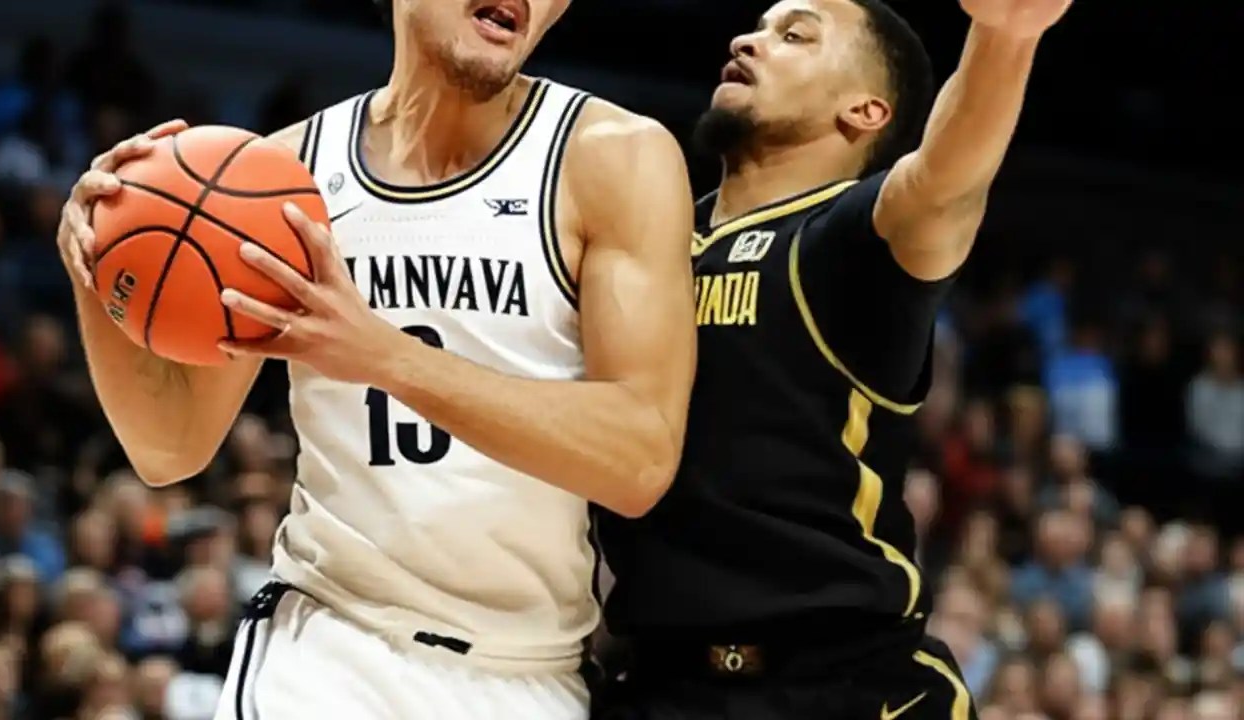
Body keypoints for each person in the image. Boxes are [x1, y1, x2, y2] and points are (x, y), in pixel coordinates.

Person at [54, 0, 698, 717]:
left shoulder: (611, 156)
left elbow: (641, 458)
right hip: (326, 648)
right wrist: (98, 268)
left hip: (528, 670)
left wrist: (382, 356)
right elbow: (169, 448)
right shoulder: (283, 171)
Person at [595, 0, 1073, 717]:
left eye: (794, 36)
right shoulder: (646, 241)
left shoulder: (849, 241)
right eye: (758, 27)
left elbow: (947, 181)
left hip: (843, 686)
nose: (748, 40)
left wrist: (1005, 35)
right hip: (657, 683)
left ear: (865, 111)